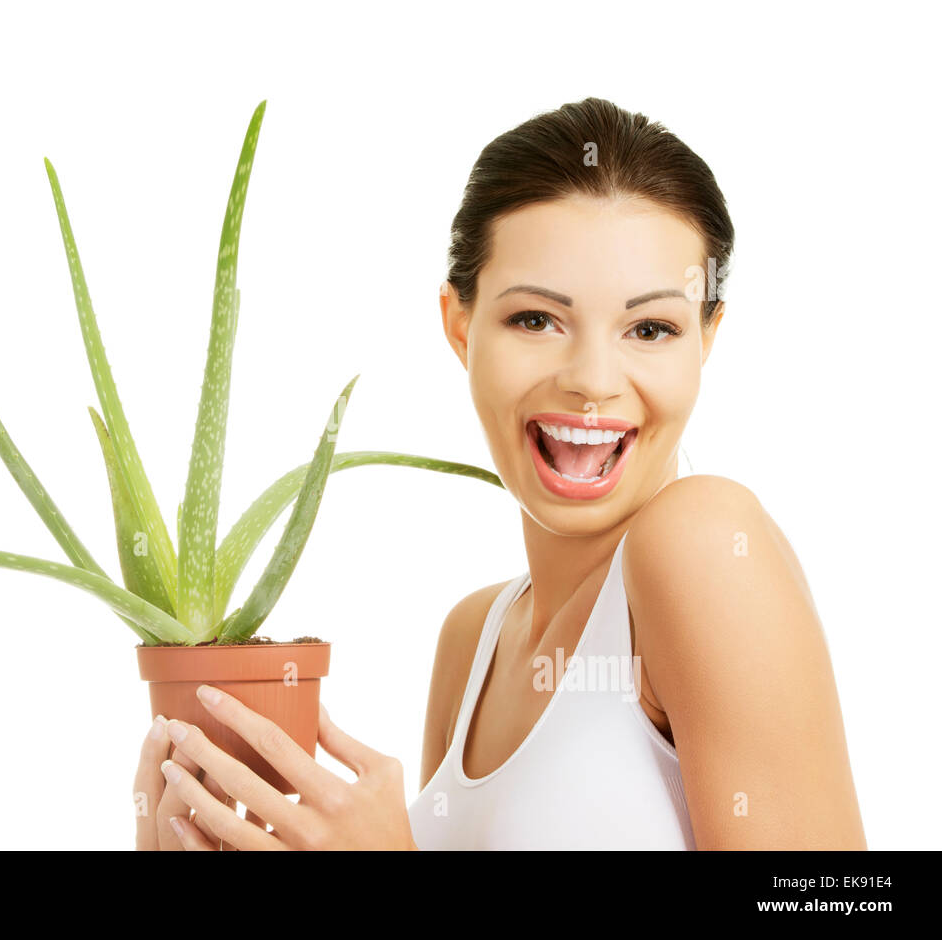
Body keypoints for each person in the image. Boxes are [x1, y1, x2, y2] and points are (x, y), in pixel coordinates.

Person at [133, 97, 867, 850]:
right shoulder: (470, 642)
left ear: (707, 338)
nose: (592, 379)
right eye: (536, 319)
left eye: (650, 328)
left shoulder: (706, 542)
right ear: (459, 323)